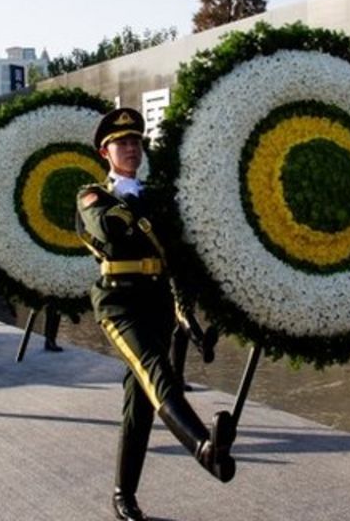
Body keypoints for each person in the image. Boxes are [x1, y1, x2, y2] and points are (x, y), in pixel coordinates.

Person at [76, 108, 236, 521]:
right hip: (117, 302)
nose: (131, 149)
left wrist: (190, 319)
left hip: (157, 302)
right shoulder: (91, 194)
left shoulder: (158, 196)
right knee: (155, 369)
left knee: (140, 400)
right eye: (121, 143)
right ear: (104, 152)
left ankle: (122, 495)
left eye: (136, 142)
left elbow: (179, 258)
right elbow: (108, 230)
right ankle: (204, 446)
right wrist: (146, 222)